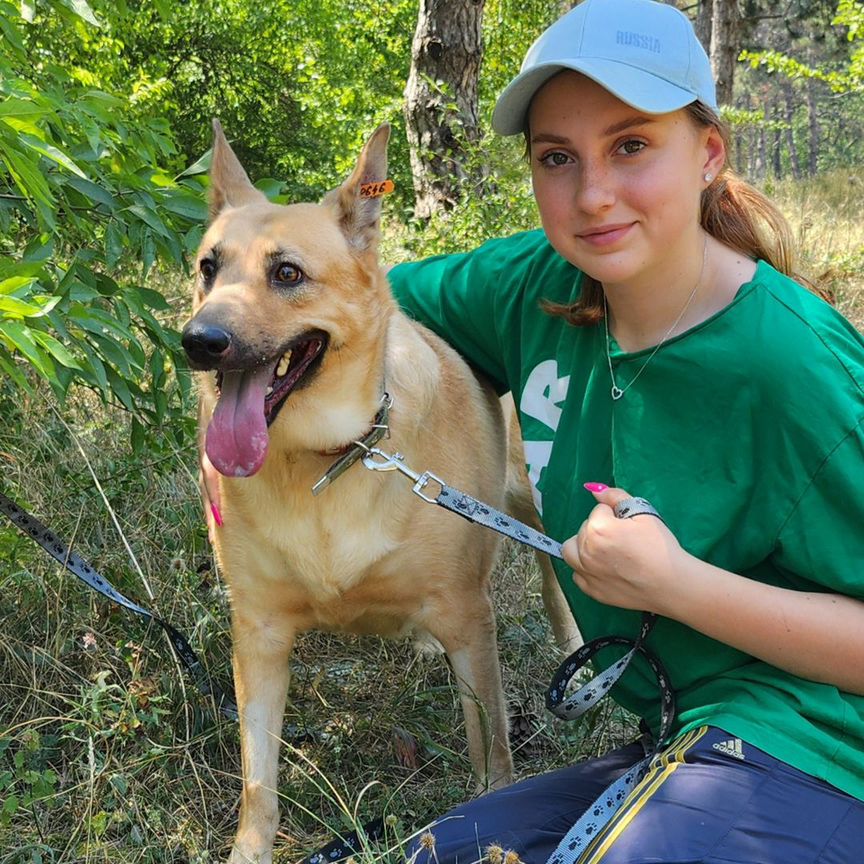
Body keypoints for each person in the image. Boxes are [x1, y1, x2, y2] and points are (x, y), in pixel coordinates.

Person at [202, 0, 864, 860]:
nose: (592, 195)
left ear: (707, 155)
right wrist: (247, 415)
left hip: (824, 741)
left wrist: (677, 585)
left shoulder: (792, 363)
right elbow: (362, 305)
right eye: (558, 158)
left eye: (631, 146)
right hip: (686, 729)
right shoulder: (539, 284)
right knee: (441, 854)